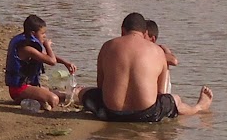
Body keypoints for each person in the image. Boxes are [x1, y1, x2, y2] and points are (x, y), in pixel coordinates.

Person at [81, 11, 213, 122]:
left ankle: (63, 96)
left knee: (84, 92)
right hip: (147, 114)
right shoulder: (158, 51)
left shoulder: (107, 46)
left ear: (122, 30)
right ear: (145, 33)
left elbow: (101, 85)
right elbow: (161, 93)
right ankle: (199, 108)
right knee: (175, 99)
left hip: (111, 113)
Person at [5, 14, 77, 111]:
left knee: (63, 96)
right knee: (54, 99)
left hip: (28, 85)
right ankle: (29, 100)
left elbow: (45, 56)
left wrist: (65, 62)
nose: (45, 36)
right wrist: (47, 46)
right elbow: (52, 61)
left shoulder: (30, 46)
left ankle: (38, 99)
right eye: (42, 34)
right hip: (19, 89)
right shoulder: (26, 48)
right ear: (33, 34)